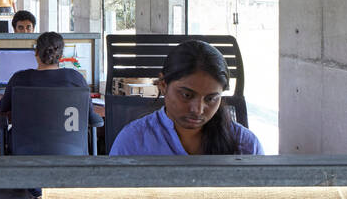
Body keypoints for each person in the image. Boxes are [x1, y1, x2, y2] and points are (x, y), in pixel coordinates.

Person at [109, 40, 263, 155]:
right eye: (186, 95)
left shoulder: (245, 144)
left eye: (210, 99)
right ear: (163, 85)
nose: (198, 109)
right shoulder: (133, 142)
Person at [0, 31, 102, 148]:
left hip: (25, 149)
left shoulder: (19, 79)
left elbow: (3, 108)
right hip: (70, 150)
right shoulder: (76, 78)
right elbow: (91, 115)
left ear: (36, 52)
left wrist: (1, 99)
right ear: (61, 56)